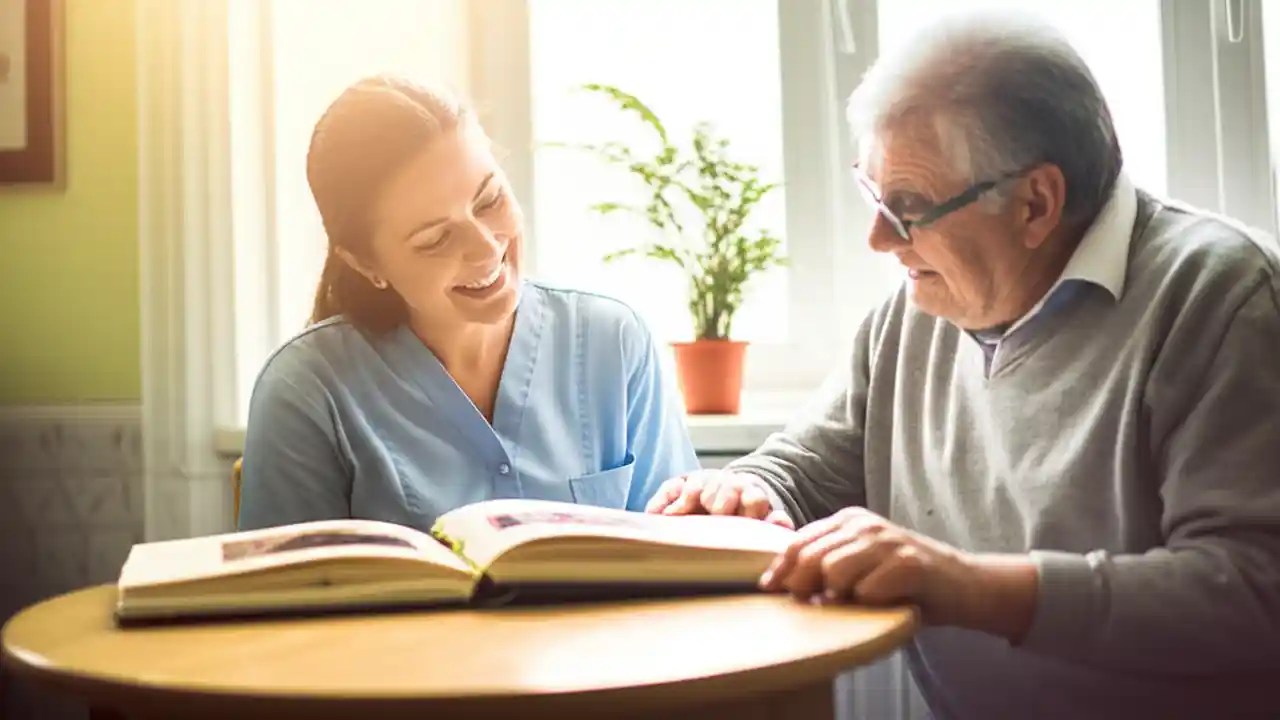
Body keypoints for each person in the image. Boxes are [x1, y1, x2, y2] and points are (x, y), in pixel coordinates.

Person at [647, 14, 1280, 720]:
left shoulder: (1220, 295)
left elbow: (1255, 589)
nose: (878, 238)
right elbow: (806, 468)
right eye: (872, 194)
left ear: (1036, 203)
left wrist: (971, 586)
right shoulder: (916, 310)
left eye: (908, 207)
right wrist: (744, 489)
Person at [238, 75, 699, 533]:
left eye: (490, 199)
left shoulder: (615, 344)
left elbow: (686, 551)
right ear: (365, 262)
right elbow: (282, 598)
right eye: (436, 238)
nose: (484, 249)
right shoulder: (306, 391)